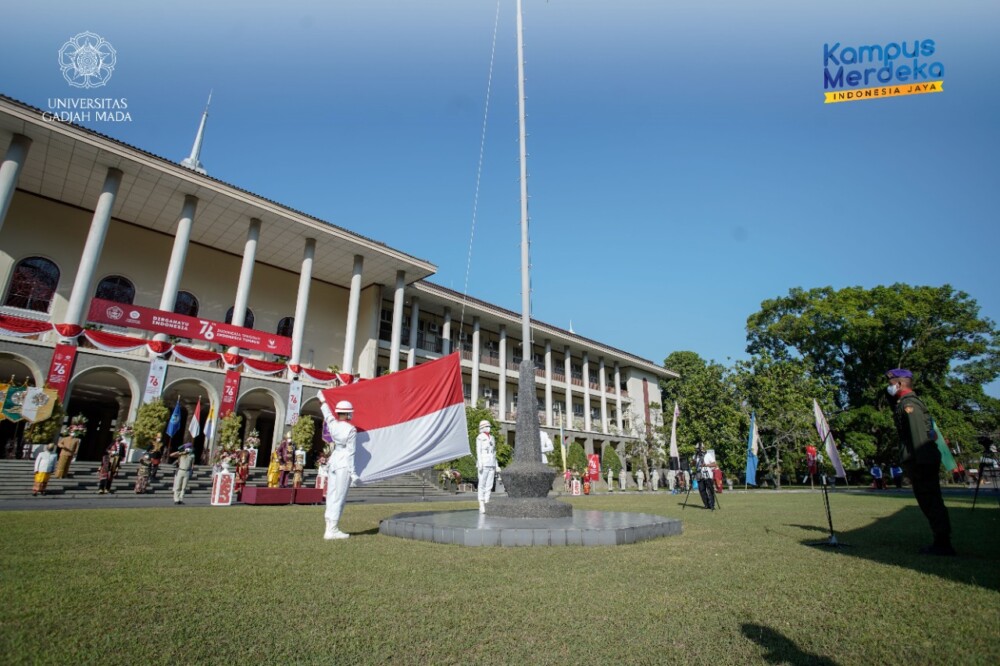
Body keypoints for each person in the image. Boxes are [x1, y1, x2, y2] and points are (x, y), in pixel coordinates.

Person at [886, 368, 954, 556]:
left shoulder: (910, 405)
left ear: (899, 384)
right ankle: (941, 540)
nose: (888, 387)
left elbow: (919, 437)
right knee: (928, 500)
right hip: (920, 461)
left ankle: (942, 543)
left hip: (921, 461)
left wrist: (919, 463)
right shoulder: (904, 402)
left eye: (890, 384)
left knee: (931, 500)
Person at [320, 396, 357, 539]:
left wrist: (323, 401)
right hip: (343, 464)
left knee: (331, 494)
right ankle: (333, 529)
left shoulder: (333, 425)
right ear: (348, 414)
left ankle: (329, 527)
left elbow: (327, 415)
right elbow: (351, 453)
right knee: (339, 496)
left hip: (334, 461)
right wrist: (353, 473)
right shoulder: (351, 429)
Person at [476, 420, 499, 514]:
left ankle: (487, 501)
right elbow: (478, 451)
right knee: (482, 483)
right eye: (487, 426)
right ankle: (481, 503)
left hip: (491, 463)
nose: (489, 428)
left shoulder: (492, 437)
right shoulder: (480, 437)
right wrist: (480, 463)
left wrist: (496, 465)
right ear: (483, 427)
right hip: (484, 462)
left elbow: (494, 452)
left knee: (489, 484)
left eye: (489, 426)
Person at [695, 445, 717, 510]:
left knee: (710, 490)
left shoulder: (708, 455)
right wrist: (693, 462)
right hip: (699, 475)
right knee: (702, 490)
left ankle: (712, 505)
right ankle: (706, 505)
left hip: (708, 475)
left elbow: (714, 464)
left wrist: (706, 465)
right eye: (696, 449)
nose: (697, 450)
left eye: (698, 448)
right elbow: (692, 464)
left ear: (702, 448)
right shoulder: (695, 456)